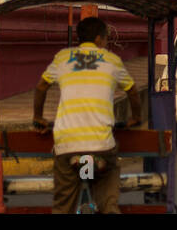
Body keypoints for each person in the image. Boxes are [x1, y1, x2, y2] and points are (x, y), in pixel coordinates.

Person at [33, 16, 141, 214]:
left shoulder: (63, 57)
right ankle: (108, 207)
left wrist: (38, 117)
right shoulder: (111, 60)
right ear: (99, 39)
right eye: (107, 38)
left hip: (68, 146)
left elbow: (41, 87)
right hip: (100, 147)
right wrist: (135, 118)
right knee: (108, 194)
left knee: (62, 206)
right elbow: (132, 91)